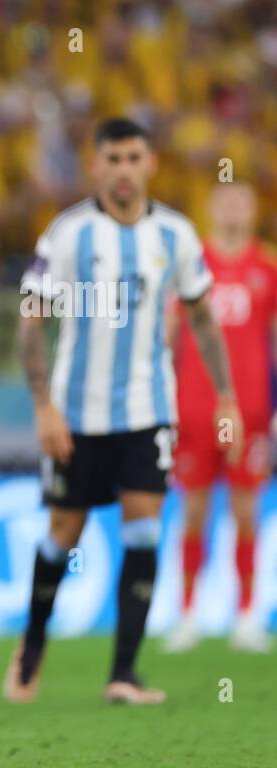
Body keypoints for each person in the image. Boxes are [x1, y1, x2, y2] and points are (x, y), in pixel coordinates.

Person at [7, 117, 239, 704]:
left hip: (147, 410)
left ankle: (124, 674)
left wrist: (226, 395)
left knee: (143, 527)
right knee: (63, 534)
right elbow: (31, 324)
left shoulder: (176, 235)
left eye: (134, 157)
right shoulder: (67, 234)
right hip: (75, 414)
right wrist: (42, 407)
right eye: (113, 159)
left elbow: (202, 318)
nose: (124, 169)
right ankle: (30, 651)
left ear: (150, 163)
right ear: (96, 166)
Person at [166, 182, 277, 654]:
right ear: (210, 208)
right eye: (225, 201)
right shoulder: (190, 266)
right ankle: (187, 614)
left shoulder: (268, 267)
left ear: (253, 210)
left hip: (250, 410)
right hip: (195, 408)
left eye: (241, 201)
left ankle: (247, 615)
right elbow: (169, 334)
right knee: (193, 511)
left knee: (246, 512)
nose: (233, 208)